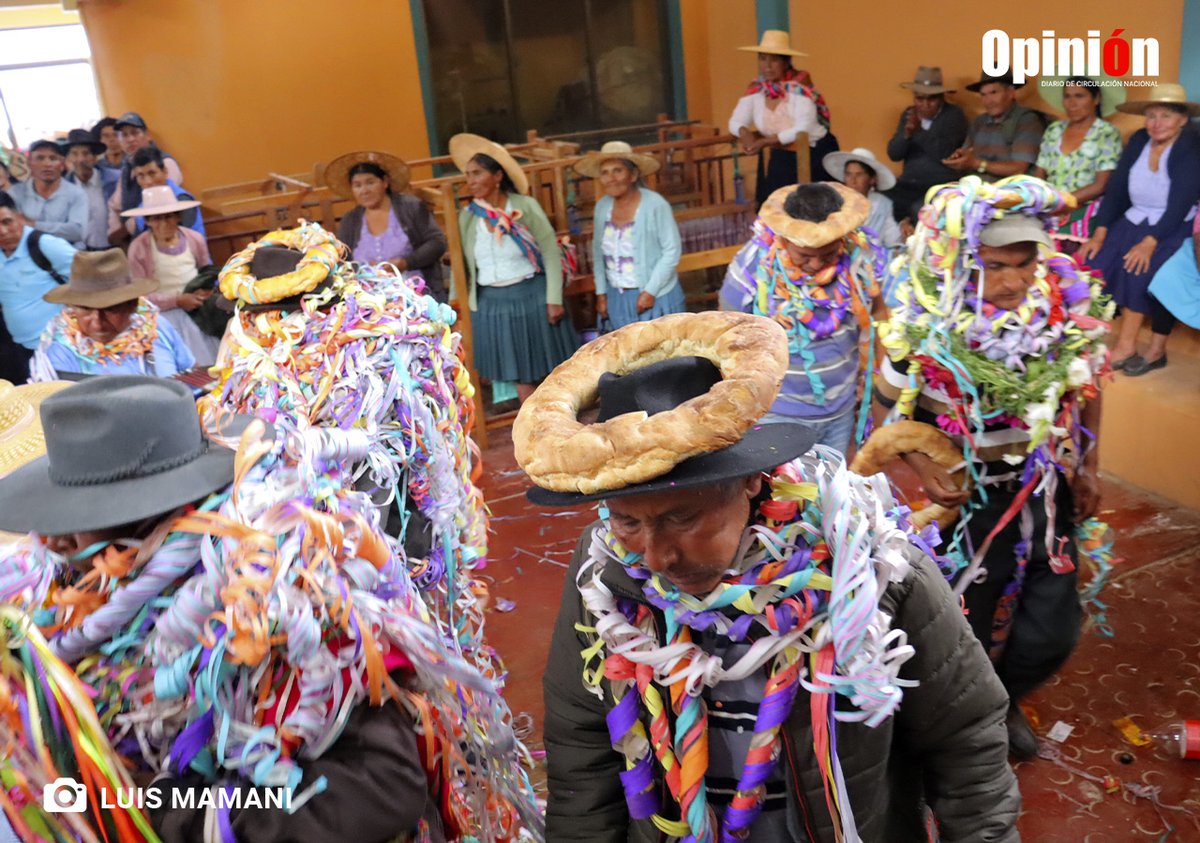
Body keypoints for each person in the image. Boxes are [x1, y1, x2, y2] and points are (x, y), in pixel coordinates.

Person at [513, 311, 1020, 841]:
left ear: (752, 481)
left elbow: (965, 737)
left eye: (682, 518)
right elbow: (581, 748)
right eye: (627, 521)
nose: (657, 556)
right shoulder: (604, 586)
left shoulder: (872, 567)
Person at [0, 376, 541, 842]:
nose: (55, 539)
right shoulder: (64, 604)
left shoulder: (289, 609)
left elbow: (380, 790)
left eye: (77, 515)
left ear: (147, 519)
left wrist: (166, 813)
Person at [872, 176, 1110, 760]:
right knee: (960, 624)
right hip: (961, 501)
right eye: (994, 266)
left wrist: (1090, 461)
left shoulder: (1056, 318)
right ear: (962, 262)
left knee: (1052, 627)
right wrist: (924, 471)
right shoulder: (923, 329)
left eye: (1023, 263)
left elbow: (1089, 388)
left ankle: (1006, 700)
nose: (1011, 280)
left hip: (1040, 486)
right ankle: (969, 722)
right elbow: (888, 414)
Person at [720, 182, 882, 454]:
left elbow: (877, 313)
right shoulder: (754, 264)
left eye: (828, 254)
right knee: (783, 493)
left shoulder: (858, 258)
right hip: (777, 413)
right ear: (783, 240)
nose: (816, 264)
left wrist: (872, 375)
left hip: (840, 410)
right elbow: (729, 328)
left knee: (830, 489)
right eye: (804, 255)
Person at [1077, 83, 1200, 376]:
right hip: (1136, 217)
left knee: (1138, 268)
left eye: (1166, 116)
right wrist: (1100, 232)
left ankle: (1127, 345)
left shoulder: (1190, 147)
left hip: (1173, 222)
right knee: (1093, 263)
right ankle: (1087, 337)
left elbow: (1180, 203)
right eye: (1151, 115)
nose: (1156, 124)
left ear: (1182, 119)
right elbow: (1117, 189)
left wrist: (1150, 242)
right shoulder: (1138, 140)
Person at [450, 133, 578, 405]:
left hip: (532, 297)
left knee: (550, 372)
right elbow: (460, 264)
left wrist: (554, 299)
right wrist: (456, 305)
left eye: (477, 174)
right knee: (520, 375)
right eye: (468, 175)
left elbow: (549, 251)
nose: (470, 181)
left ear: (497, 176)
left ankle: (562, 426)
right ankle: (533, 433)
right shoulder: (468, 216)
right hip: (492, 304)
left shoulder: (525, 207)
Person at [29, 248, 195, 380]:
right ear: (72, 307)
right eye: (85, 309)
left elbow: (190, 376)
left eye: (110, 309)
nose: (97, 322)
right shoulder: (61, 354)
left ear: (132, 305)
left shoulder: (157, 329)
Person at [575, 140, 683, 329]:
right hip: (617, 299)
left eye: (618, 170)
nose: (611, 178)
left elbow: (672, 251)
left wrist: (650, 292)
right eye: (605, 173)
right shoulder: (602, 207)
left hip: (656, 297)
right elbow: (598, 255)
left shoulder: (655, 205)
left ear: (633, 175)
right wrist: (601, 294)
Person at [327, 150, 449, 302]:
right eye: (357, 185)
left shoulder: (410, 207)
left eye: (370, 182)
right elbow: (340, 260)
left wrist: (405, 263)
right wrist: (362, 270)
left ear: (385, 182)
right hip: (368, 301)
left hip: (416, 296)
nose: (364, 190)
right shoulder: (350, 220)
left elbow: (437, 242)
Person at [729, 30, 836, 202]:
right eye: (763, 58)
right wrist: (744, 133)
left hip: (813, 155)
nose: (768, 66)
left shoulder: (799, 88)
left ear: (786, 62)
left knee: (811, 208)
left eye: (774, 60)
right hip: (780, 157)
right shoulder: (757, 89)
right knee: (778, 208)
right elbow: (736, 120)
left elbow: (803, 128)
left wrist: (765, 141)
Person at [123, 184, 220, 364]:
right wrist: (177, 300)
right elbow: (140, 295)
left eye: (169, 217)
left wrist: (204, 292)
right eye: (156, 219)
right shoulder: (138, 248)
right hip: (161, 316)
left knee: (209, 359)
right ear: (148, 221)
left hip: (198, 311)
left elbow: (206, 272)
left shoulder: (194, 239)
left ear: (178, 217)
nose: (164, 223)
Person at [1034, 76, 1123, 249]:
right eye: (1067, 96)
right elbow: (1040, 172)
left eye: (1079, 96)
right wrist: (1042, 201)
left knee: (1065, 252)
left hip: (1084, 207)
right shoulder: (1054, 130)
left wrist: (1064, 204)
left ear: (1096, 99)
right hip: (1049, 205)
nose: (1072, 103)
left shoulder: (1106, 133)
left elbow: (1100, 185)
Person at [0, 191, 72, 383]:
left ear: (19, 218)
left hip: (57, 349)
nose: (3, 231)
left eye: (7, 222)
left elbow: (88, 279)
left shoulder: (44, 245)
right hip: (18, 348)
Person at [887, 66, 969, 230]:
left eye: (931, 99)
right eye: (919, 99)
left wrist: (918, 132)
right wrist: (906, 134)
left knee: (920, 211)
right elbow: (894, 154)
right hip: (910, 184)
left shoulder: (954, 115)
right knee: (883, 202)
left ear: (941, 98)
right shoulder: (909, 114)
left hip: (940, 186)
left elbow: (945, 153)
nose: (925, 104)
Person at [944, 72, 1043, 183]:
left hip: (1010, 192)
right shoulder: (980, 121)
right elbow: (968, 153)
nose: (988, 101)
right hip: (974, 187)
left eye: (993, 93)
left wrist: (976, 163)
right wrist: (960, 158)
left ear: (1011, 93)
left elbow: (1019, 168)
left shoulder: (1027, 120)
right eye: (983, 95)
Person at [111, 144, 204, 240]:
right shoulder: (144, 204)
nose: (148, 181)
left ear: (165, 172)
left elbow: (185, 243)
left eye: (152, 173)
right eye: (141, 175)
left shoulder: (182, 200)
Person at [6, 139, 88, 248]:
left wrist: (33, 225)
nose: (47, 164)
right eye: (40, 158)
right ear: (29, 163)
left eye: (53, 158)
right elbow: (12, 229)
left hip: (68, 257)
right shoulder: (14, 194)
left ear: (62, 164)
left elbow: (77, 232)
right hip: (29, 258)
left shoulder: (76, 194)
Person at [822, 146, 903, 250]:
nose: (853, 180)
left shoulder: (882, 204)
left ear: (872, 179)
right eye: (848, 174)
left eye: (859, 175)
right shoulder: (834, 202)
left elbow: (892, 238)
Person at [61, 128, 111, 250]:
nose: (80, 160)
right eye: (74, 153)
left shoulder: (113, 181)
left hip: (116, 250)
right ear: (68, 158)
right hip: (83, 255)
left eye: (86, 153)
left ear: (95, 157)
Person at [91, 115, 125, 201]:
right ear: (99, 140)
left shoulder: (134, 162)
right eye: (106, 136)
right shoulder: (97, 167)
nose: (111, 140)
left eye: (115, 135)